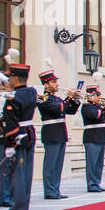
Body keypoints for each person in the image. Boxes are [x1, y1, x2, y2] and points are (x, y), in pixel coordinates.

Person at [0, 64, 38, 210]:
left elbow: (10, 122)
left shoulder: (13, 97)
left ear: (14, 78)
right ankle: (23, 205)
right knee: (26, 173)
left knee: (17, 174)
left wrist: (9, 143)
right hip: (29, 133)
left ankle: (17, 208)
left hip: (17, 136)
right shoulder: (32, 92)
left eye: (10, 77)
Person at [37, 70, 79, 199]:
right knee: (51, 164)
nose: (56, 84)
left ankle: (56, 189)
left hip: (60, 133)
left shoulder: (56, 98)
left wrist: (75, 99)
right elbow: (58, 108)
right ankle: (50, 190)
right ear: (45, 84)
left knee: (58, 164)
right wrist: (69, 98)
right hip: (51, 133)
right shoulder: (43, 98)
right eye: (53, 82)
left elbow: (70, 110)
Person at [81, 87, 105, 192]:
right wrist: (104, 109)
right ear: (90, 96)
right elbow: (96, 115)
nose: (99, 97)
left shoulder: (98, 106)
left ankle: (97, 182)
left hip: (101, 137)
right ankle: (91, 184)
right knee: (92, 163)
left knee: (99, 163)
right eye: (97, 95)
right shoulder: (87, 107)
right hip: (91, 137)